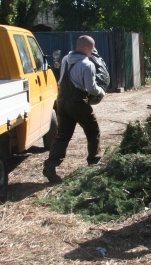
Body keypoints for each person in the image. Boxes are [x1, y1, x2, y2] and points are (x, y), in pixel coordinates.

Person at [43, 35, 105, 184]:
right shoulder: (87, 64)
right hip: (77, 102)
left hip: (62, 101)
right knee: (93, 131)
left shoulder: (66, 58)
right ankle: (93, 163)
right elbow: (91, 88)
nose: (92, 51)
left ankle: (50, 166)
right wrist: (101, 92)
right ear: (85, 48)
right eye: (91, 48)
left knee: (63, 135)